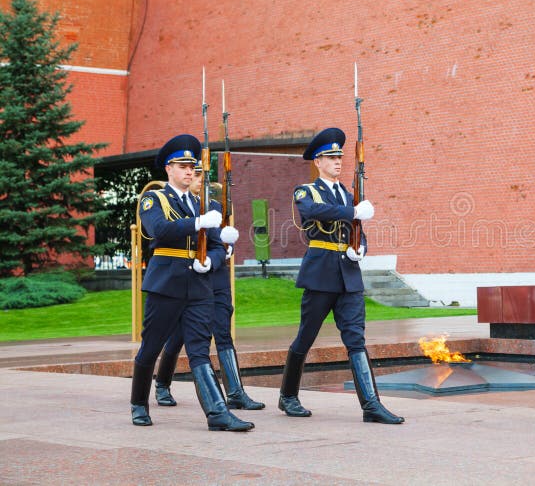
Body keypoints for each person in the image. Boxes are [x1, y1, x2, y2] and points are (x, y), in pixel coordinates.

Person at [278, 127, 404, 424]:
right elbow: (314, 212)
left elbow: (357, 232)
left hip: (348, 274)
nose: (337, 162)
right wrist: (352, 212)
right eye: (331, 157)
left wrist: (360, 249)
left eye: (339, 157)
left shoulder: (348, 195)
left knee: (355, 339)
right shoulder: (306, 191)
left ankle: (371, 405)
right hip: (321, 273)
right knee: (306, 337)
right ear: (318, 162)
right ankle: (288, 396)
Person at [130, 134, 254, 432]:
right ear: (169, 169)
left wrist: (212, 258)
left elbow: (214, 243)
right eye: (183, 166)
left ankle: (218, 413)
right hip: (167, 283)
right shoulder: (154, 198)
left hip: (199, 286)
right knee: (151, 346)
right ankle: (138, 403)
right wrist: (197, 223)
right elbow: (158, 229)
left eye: (192, 166)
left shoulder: (202, 203)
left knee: (199, 349)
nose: (189, 171)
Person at [154, 169, 265, 411]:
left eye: (202, 177)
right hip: (190, 276)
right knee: (179, 335)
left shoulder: (214, 204)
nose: (199, 181)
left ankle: (235, 392)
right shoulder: (178, 204)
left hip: (216, 276)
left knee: (223, 331)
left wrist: (228, 248)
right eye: (195, 176)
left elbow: (220, 240)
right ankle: (162, 383)